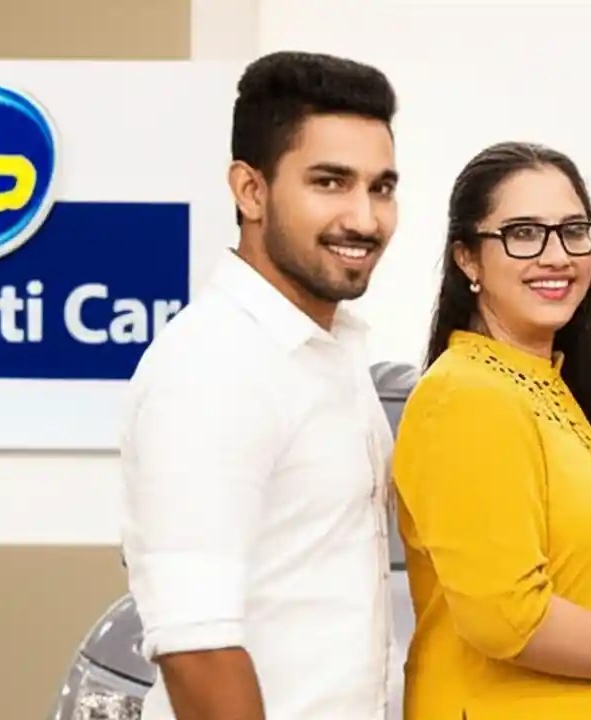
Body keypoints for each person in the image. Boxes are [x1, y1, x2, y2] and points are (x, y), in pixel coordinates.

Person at [119, 51, 402, 720]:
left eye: (381, 187)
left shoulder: (328, 353)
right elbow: (198, 648)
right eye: (330, 183)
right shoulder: (213, 365)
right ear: (250, 191)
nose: (365, 218)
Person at [391, 141, 591, 719]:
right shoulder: (465, 394)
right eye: (523, 233)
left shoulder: (553, 387)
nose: (556, 255)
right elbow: (509, 617)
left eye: (573, 230)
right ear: (466, 258)